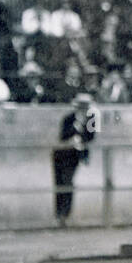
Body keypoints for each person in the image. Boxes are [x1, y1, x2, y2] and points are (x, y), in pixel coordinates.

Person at [53, 94, 96, 226]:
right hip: (63, 153)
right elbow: (62, 136)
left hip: (75, 154)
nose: (83, 110)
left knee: (68, 182)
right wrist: (74, 129)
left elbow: (91, 137)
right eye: (80, 107)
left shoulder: (91, 120)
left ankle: (65, 214)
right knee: (60, 183)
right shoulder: (69, 118)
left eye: (85, 107)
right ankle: (59, 214)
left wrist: (81, 137)